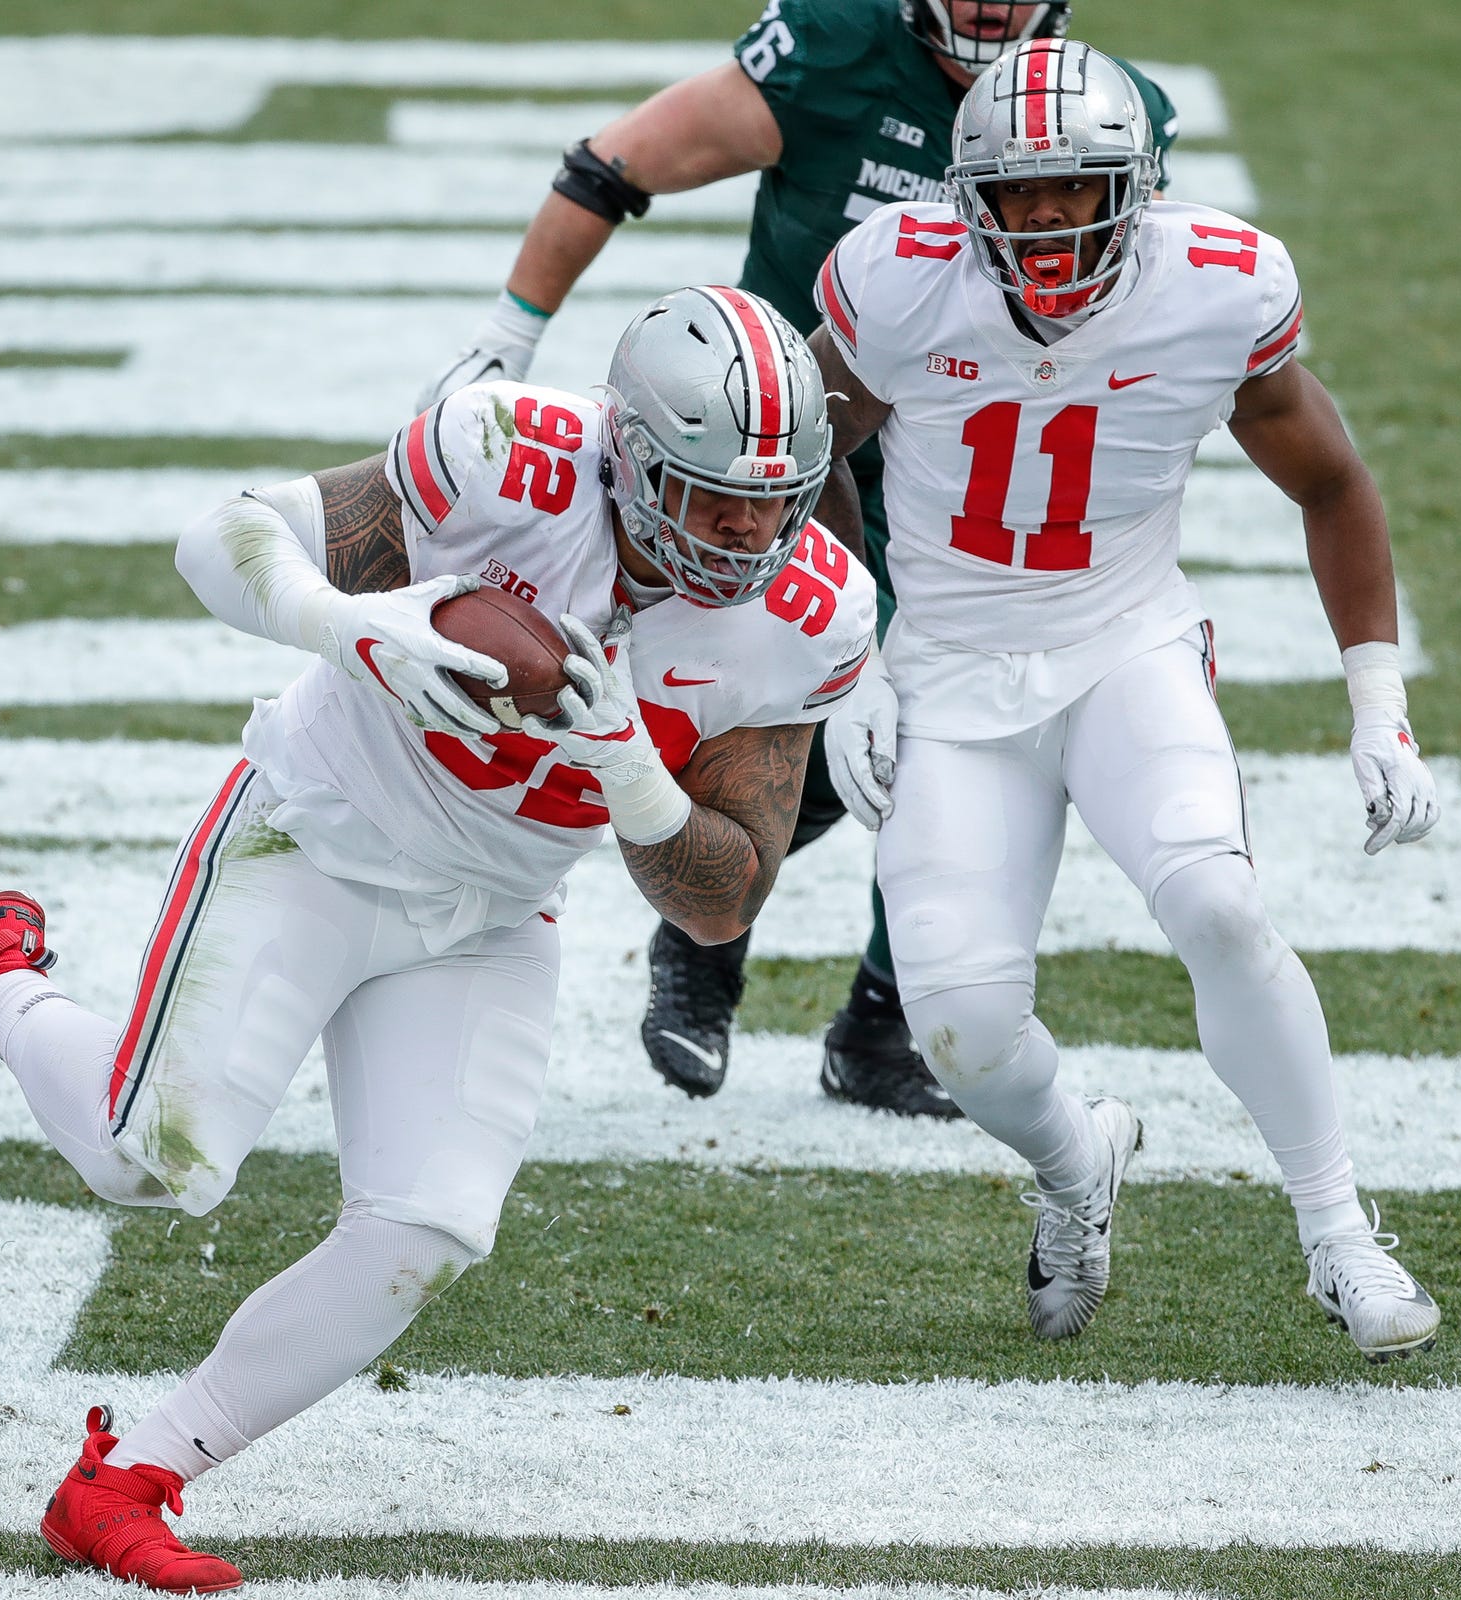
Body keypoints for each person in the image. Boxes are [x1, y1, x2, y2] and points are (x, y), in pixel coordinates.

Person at [0, 286, 875, 1592]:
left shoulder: (810, 610)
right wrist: (358, 628)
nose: (745, 531)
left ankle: (129, 1480)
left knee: (429, 1223)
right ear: (628, 453)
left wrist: (636, 781)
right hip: (321, 830)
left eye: (772, 498)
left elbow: (721, 897)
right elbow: (221, 536)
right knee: (152, 1162)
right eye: (709, 494)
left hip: (496, 907)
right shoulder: (510, 454)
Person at [424, 0, 1178, 1117]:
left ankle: (872, 1014)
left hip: (968, 481)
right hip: (766, 476)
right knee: (797, 720)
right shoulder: (834, 51)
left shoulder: (1110, 112)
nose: (983, 9)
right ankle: (709, 932)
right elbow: (610, 165)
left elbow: (1133, 304)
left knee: (971, 740)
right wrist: (510, 331)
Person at [814, 39, 1441, 1357]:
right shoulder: (899, 278)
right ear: (962, 195)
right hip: (948, 668)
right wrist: (850, 653)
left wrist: (1376, 703)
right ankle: (1075, 1163)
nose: (1043, 220)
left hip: (1123, 642)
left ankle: (1338, 1235)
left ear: (1136, 186)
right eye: (1016, 193)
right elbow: (810, 450)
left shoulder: (1217, 286)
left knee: (1216, 899)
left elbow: (1331, 483)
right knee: (963, 1032)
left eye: (1074, 189)